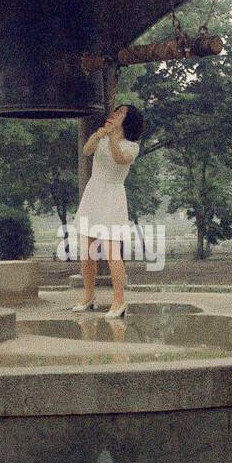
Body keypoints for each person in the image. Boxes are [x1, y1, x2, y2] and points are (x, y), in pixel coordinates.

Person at [72, 103, 144, 319]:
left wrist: (112, 136)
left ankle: (119, 301)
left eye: (121, 113)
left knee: (113, 252)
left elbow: (119, 159)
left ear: (128, 120)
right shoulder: (102, 137)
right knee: (87, 251)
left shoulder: (132, 146)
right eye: (116, 111)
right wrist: (98, 134)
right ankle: (89, 295)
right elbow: (87, 150)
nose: (115, 114)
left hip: (112, 197)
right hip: (94, 193)